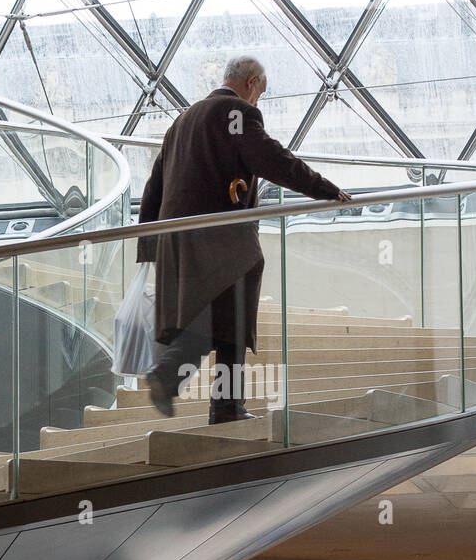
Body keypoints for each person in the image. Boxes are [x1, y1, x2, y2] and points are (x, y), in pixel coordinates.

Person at [136, 56, 352, 424]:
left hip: (176, 237)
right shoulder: (235, 112)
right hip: (218, 236)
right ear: (251, 82)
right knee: (228, 311)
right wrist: (324, 188)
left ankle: (225, 406)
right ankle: (175, 376)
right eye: (260, 94)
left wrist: (150, 247)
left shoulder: (183, 120)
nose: (257, 103)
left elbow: (153, 186)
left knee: (223, 316)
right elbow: (272, 159)